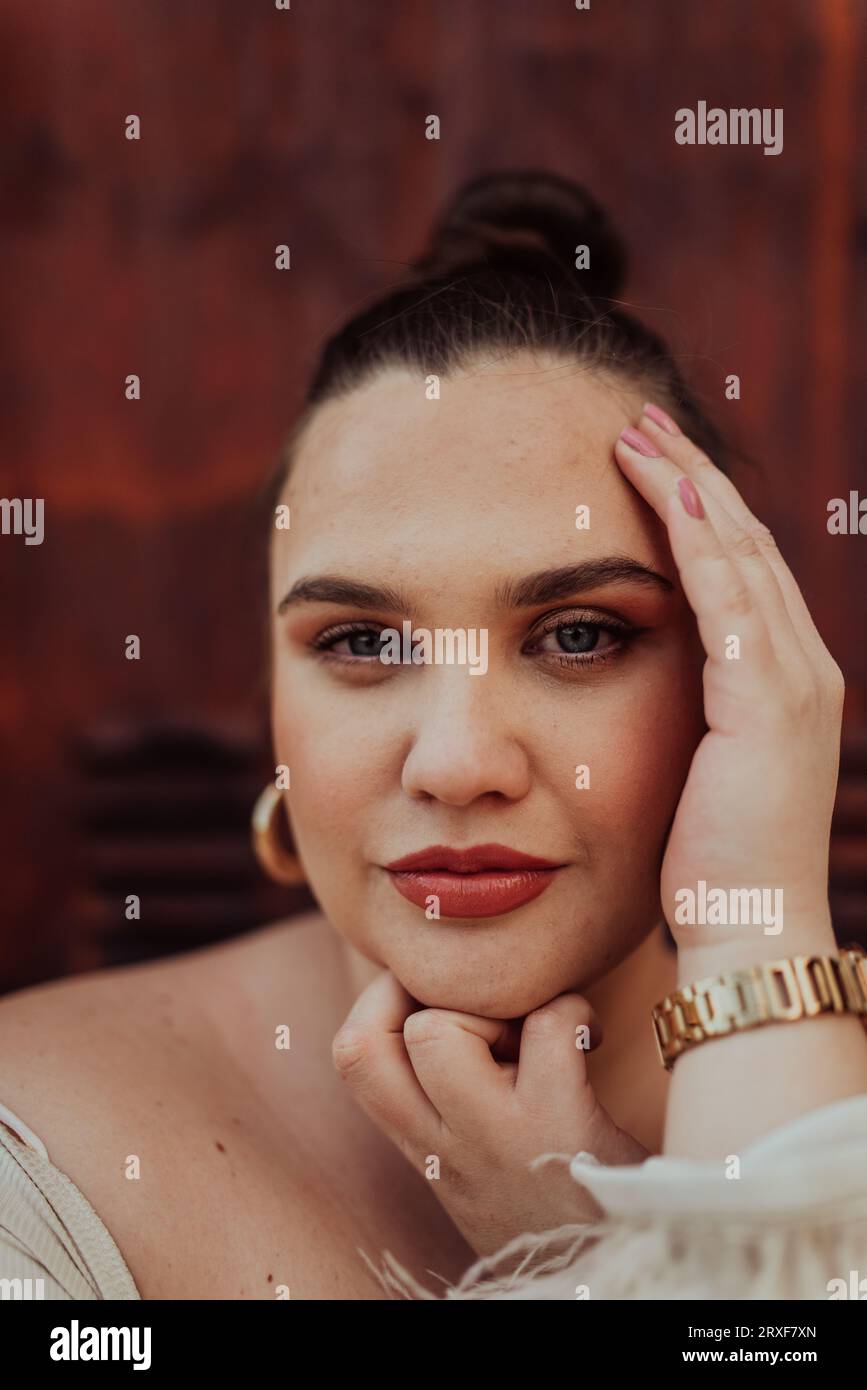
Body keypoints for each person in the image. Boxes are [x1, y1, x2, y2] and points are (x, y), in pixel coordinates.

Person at [2, 171, 865, 1301]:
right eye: (361, 640)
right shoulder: (36, 1149)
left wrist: (757, 926)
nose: (458, 764)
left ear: (729, 673)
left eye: (580, 635)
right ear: (275, 705)